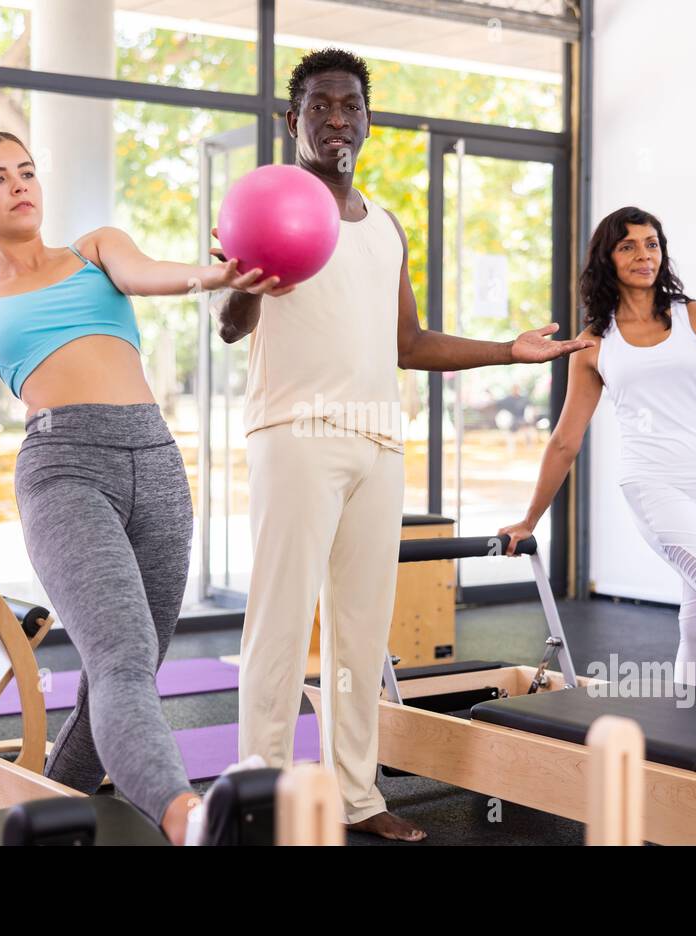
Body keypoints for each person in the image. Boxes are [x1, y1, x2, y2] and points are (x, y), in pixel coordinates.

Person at [212, 49, 594, 842]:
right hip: (293, 435)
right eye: (319, 106)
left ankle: (356, 795)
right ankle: (262, 798)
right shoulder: (263, 207)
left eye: (350, 105)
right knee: (279, 626)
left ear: (368, 120)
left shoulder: (385, 227)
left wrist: (505, 350)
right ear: (294, 122)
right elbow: (227, 327)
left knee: (361, 632)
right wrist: (247, 288)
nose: (337, 119)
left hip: (379, 443)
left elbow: (410, 342)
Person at [0, 130, 269, 845]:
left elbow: (151, 272)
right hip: (64, 469)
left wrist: (213, 278)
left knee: (123, 673)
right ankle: (188, 818)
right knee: (123, 664)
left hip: (155, 461)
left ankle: (48, 813)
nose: (19, 185)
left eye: (26, 171)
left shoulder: (95, 249)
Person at [499, 205, 696, 703]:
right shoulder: (594, 345)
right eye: (629, 246)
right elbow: (565, 439)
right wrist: (529, 520)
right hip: (654, 482)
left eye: (652, 244)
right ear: (608, 258)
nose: (644, 255)